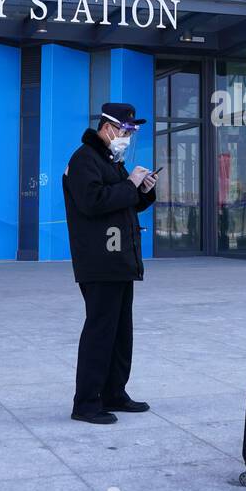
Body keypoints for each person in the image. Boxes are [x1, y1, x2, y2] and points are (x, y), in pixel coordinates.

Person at [63, 102, 159, 424]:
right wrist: (130, 184)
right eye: (126, 130)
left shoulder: (110, 161)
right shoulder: (83, 160)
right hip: (99, 261)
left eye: (132, 132)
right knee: (100, 332)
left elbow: (122, 203)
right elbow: (93, 203)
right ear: (108, 127)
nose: (128, 137)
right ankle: (86, 402)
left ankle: (114, 392)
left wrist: (143, 191)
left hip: (120, 261)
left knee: (120, 332)